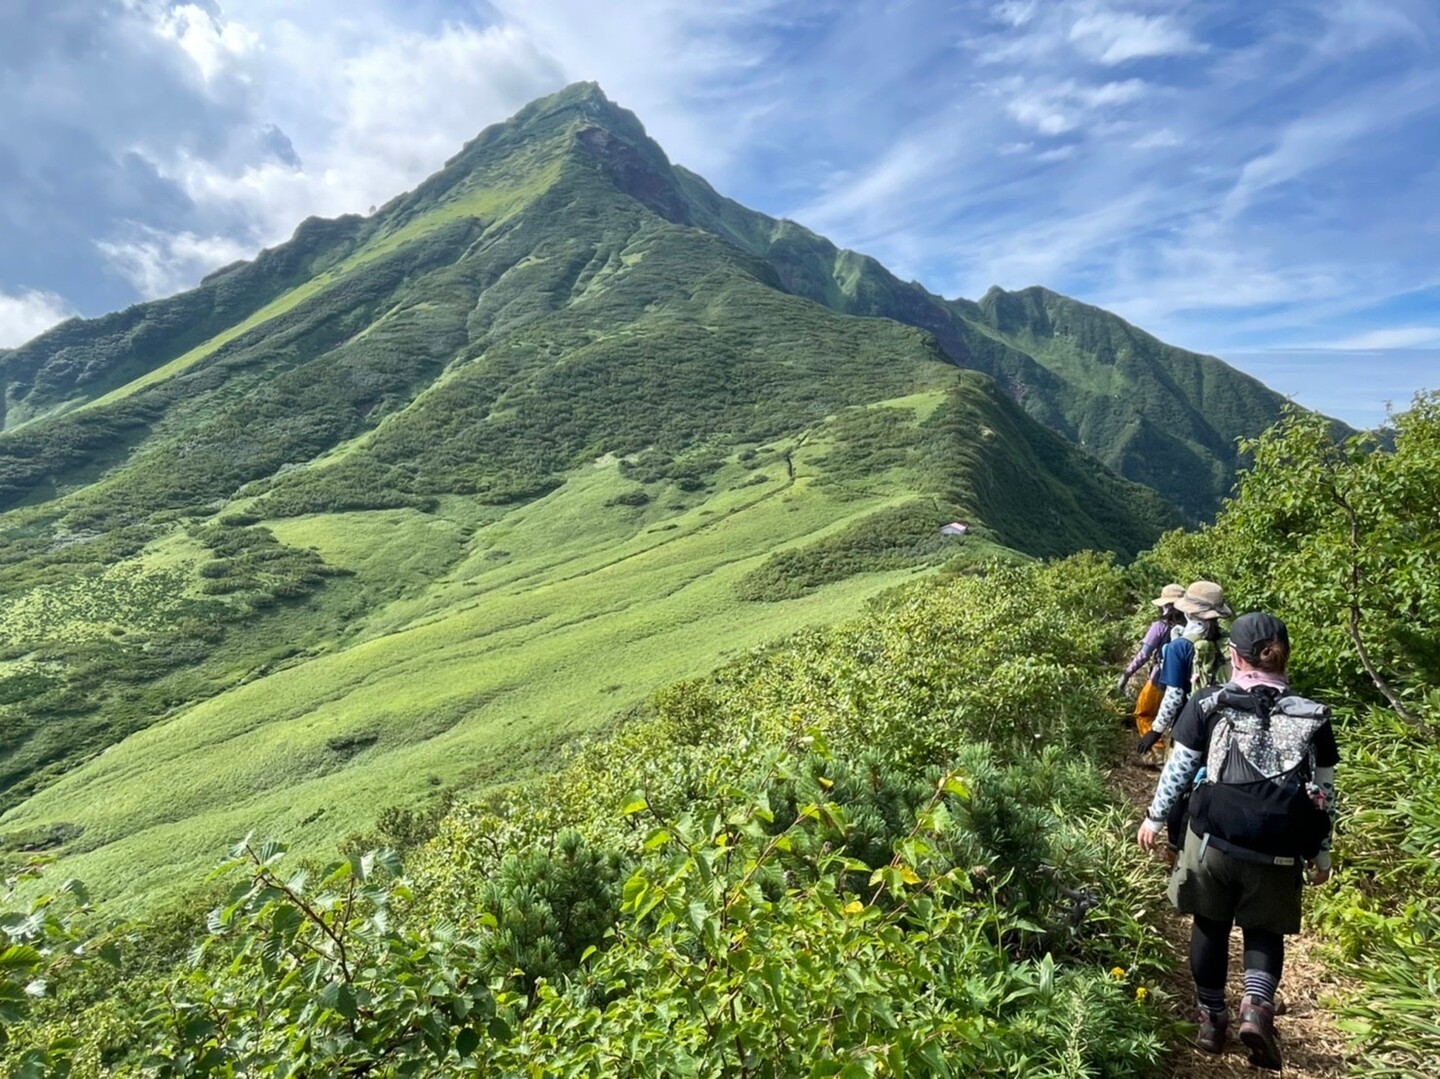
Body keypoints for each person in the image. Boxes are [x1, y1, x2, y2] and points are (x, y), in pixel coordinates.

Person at [1136, 612, 1338, 1070]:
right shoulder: (1314, 715)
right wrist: (1322, 851)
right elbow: (1324, 793)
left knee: (1210, 924)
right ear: (1283, 656)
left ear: (1234, 656)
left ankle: (1210, 1019)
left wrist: (1154, 818)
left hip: (1214, 842)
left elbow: (1179, 770)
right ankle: (1256, 1007)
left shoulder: (1209, 703)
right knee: (1263, 930)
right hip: (1281, 848)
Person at [1137, 581, 1232, 758]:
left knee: (1171, 785)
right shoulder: (1228, 640)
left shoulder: (1178, 647)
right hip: (1227, 722)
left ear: (1188, 611)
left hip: (1190, 726)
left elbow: (1174, 695)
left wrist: (1156, 731)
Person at [1118, 583, 1186, 744]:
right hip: (1186, 681)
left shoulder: (1159, 627)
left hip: (1161, 678)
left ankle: (1156, 752)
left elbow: (1144, 655)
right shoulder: (1191, 626)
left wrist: (1126, 675)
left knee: (1144, 712)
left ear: (1167, 606)